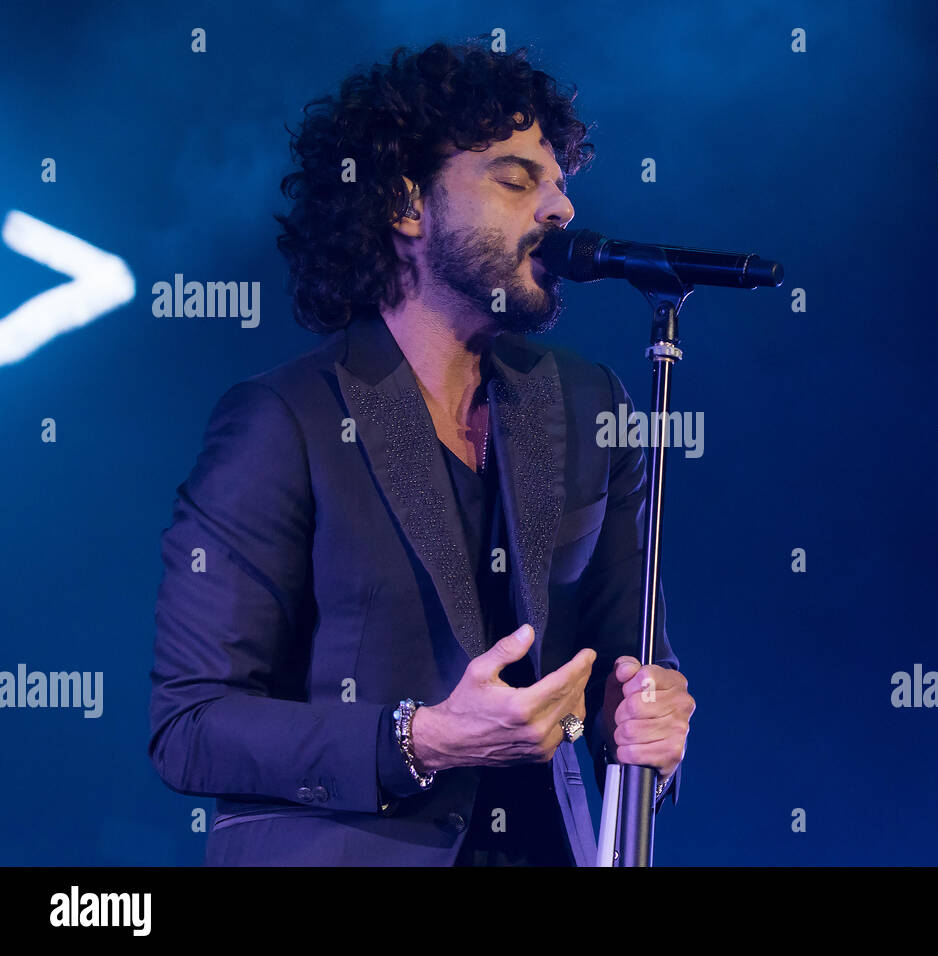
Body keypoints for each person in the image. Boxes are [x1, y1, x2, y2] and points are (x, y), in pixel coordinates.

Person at [147, 38, 694, 866]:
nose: (560, 211)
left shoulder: (589, 404)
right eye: (516, 179)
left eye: (559, 185)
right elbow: (190, 727)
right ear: (407, 205)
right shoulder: (282, 418)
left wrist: (655, 713)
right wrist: (423, 739)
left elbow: (630, 659)